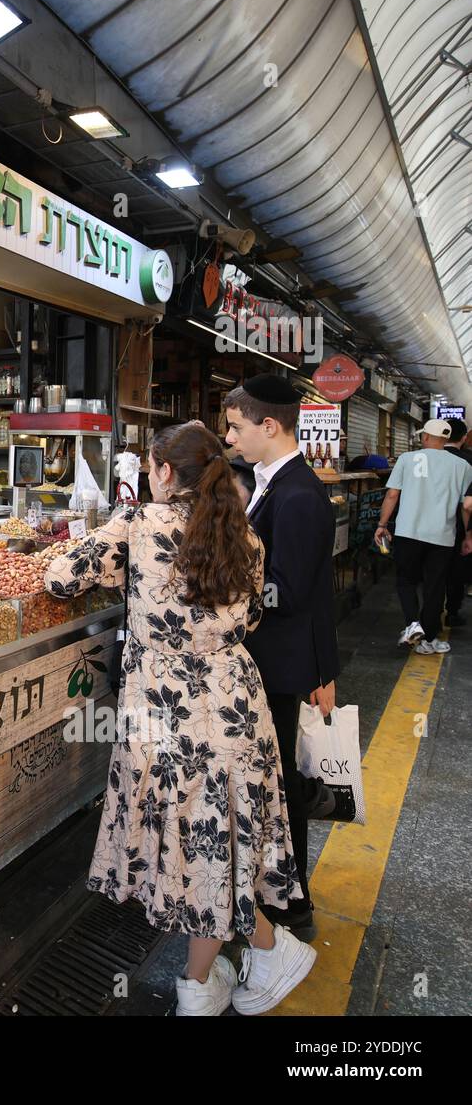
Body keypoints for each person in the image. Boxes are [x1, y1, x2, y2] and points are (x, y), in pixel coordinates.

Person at [45, 423, 315, 1016]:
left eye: (150, 467)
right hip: (235, 704)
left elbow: (60, 577)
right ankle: (235, 966)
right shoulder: (244, 535)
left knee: (190, 848)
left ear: (164, 471)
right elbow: (247, 621)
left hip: (163, 713)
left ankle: (222, 973)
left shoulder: (139, 525)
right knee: (217, 844)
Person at [222, 374, 339, 941]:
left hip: (276, 662)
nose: (230, 438)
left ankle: (293, 905)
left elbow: (289, 591)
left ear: (269, 426)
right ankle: (276, 892)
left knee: (280, 781)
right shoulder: (273, 482)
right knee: (274, 777)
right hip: (274, 657)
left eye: (236, 427)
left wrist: (226, 590)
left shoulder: (296, 494)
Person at [374, 418, 472, 653]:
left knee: (406, 580)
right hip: (443, 536)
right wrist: (468, 536)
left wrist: (382, 524)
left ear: (426, 437)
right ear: (446, 439)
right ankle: (429, 638)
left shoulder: (407, 459)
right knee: (435, 586)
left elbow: (392, 495)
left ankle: (412, 624)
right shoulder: (464, 467)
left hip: (409, 532)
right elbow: (465, 506)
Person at [443, 419, 472, 628]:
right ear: (463, 438)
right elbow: (467, 503)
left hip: (426, 525)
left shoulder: (422, 458)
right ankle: (452, 611)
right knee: (456, 570)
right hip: (458, 525)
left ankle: (428, 615)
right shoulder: (468, 461)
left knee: (433, 571)